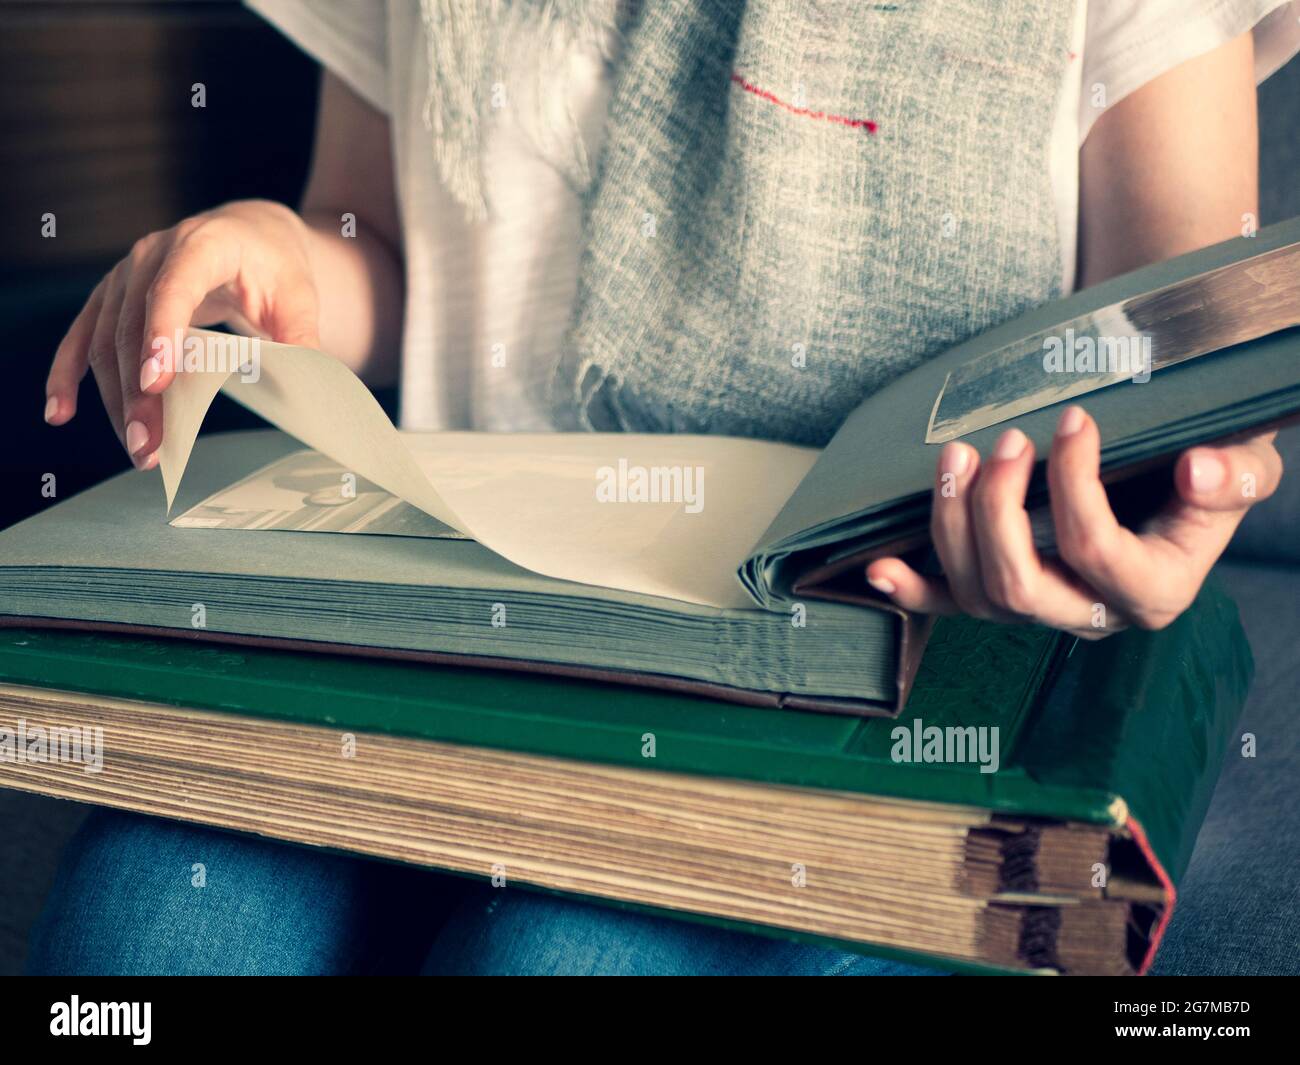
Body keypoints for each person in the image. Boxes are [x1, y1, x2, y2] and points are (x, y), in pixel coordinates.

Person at [29, 0, 1300, 975]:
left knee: (549, 960)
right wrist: (275, 254)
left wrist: (1155, 511)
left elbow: (1165, 363)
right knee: (137, 932)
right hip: (464, 622)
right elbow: (381, 245)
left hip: (896, 656)